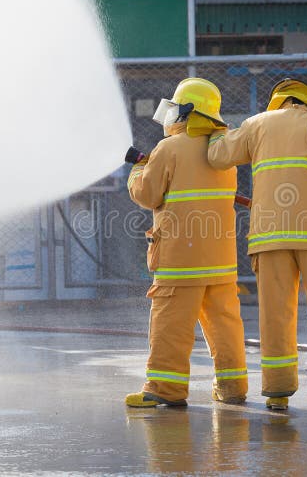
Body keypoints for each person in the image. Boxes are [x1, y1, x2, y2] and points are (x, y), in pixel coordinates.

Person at [207, 78, 307, 410]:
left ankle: (277, 392)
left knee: (276, 314)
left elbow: (218, 156)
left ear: (276, 102)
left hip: (269, 236)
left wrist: (215, 129)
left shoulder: (256, 125)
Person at [125, 78, 248, 407]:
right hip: (220, 261)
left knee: (170, 326)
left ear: (186, 112)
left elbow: (148, 194)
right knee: (225, 326)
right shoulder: (223, 151)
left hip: (180, 260)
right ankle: (233, 388)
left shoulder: (169, 149)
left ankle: (165, 389)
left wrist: (138, 170)